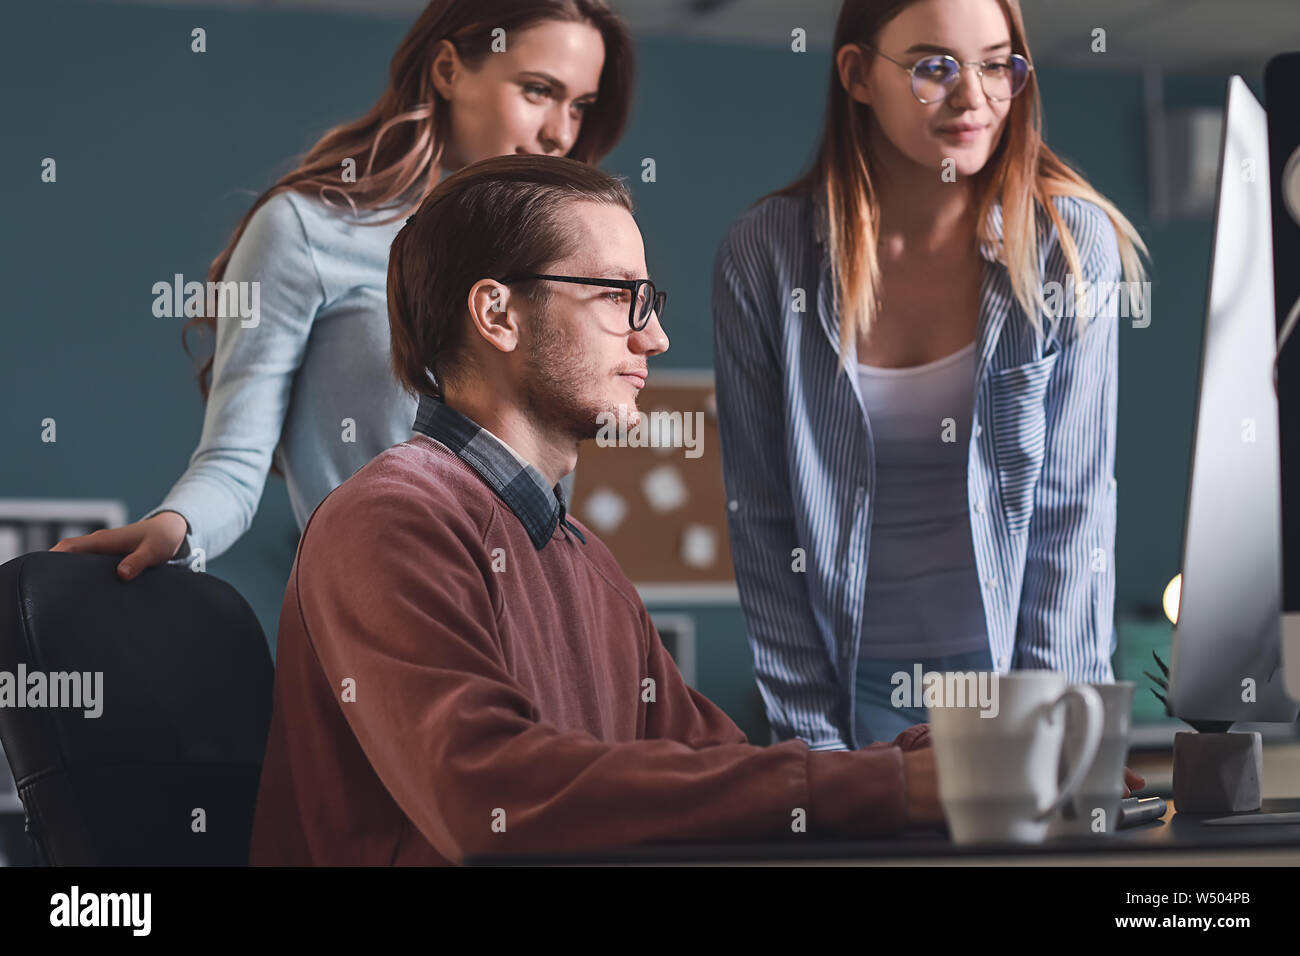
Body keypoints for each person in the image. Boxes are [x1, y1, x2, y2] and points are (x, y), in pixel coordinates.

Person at [249, 155, 943, 866]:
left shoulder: (583, 556)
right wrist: (893, 784)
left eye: (650, 303)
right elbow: (490, 800)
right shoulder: (388, 521)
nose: (654, 339)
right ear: (498, 314)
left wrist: (937, 757)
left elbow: (717, 772)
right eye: (618, 297)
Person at [712, 0, 1148, 804]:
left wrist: (1065, 747)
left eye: (996, 63)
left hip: (1018, 693)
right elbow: (765, 530)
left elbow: (1071, 514)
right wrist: (820, 763)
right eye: (933, 66)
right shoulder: (764, 256)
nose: (974, 96)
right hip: (850, 699)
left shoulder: (1065, 241)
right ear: (856, 76)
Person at [51, 0, 632, 577]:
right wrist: (175, 528)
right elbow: (233, 462)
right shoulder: (307, 229)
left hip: (530, 616)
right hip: (379, 614)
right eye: (537, 91)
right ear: (449, 70)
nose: (559, 132)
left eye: (580, 106)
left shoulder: (547, 262)